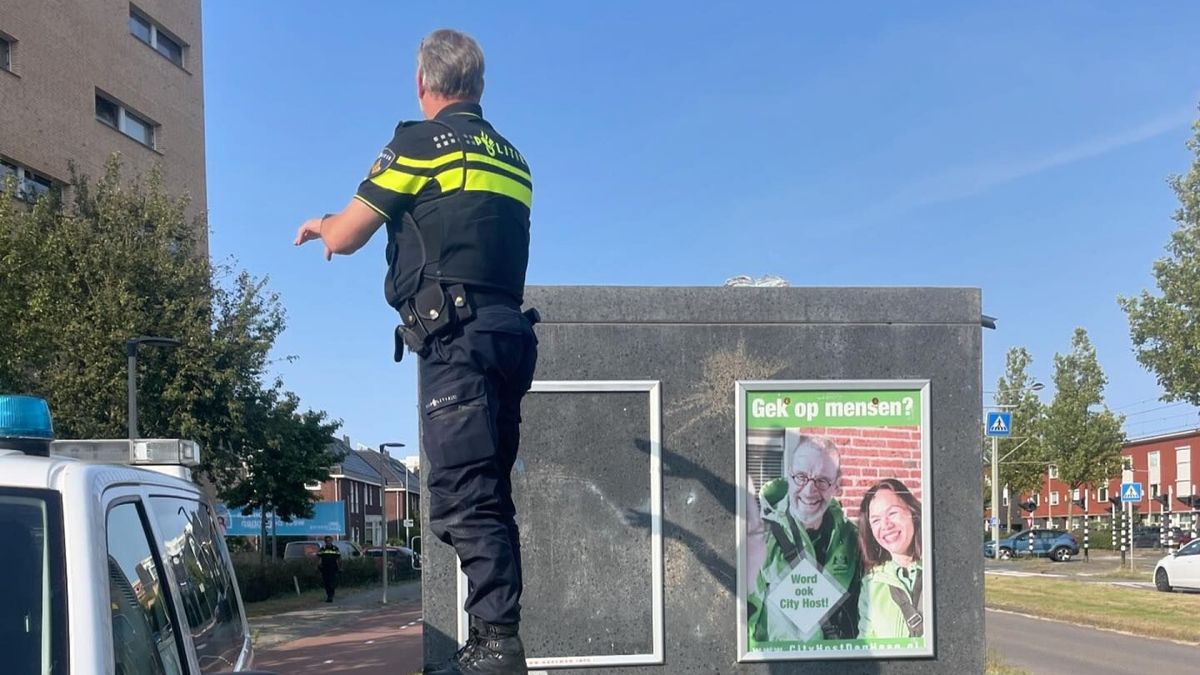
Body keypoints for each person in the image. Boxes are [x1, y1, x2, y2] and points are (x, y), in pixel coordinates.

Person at [294, 28, 537, 674]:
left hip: (455, 341)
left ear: (423, 84)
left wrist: (324, 226)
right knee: (489, 494)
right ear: (479, 87)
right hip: (510, 338)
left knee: (460, 496)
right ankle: (492, 637)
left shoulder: (417, 143)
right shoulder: (514, 159)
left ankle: (494, 646)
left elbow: (349, 233)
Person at [746, 434, 862, 644]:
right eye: (801, 477)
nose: (809, 491)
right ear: (789, 476)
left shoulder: (852, 538)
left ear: (836, 486)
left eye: (822, 481)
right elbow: (743, 626)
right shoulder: (758, 538)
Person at [856, 478, 924, 639]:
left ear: (912, 513)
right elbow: (867, 648)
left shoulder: (939, 568)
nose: (886, 525)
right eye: (876, 520)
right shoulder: (871, 585)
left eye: (892, 513)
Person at [317, 536, 341, 603]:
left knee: (332, 581)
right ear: (325, 542)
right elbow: (319, 558)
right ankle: (328, 594)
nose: (328, 542)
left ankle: (331, 595)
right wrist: (318, 565)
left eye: (329, 541)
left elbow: (339, 558)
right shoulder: (322, 549)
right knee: (326, 582)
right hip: (324, 568)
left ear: (331, 541)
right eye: (327, 541)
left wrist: (340, 567)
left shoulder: (335, 548)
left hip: (333, 567)